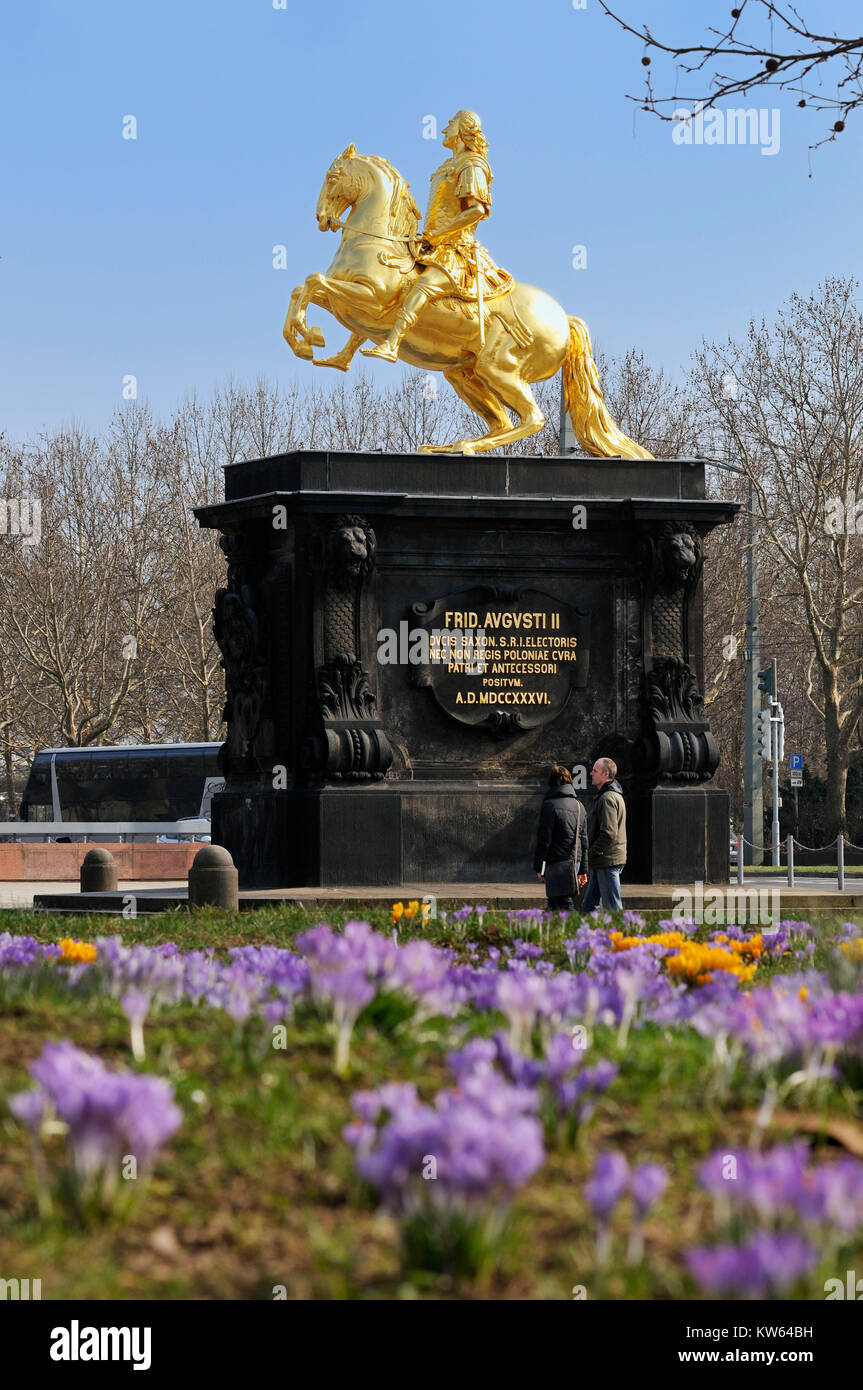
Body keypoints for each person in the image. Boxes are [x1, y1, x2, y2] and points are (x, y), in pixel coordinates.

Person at [361, 109, 512, 362]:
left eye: (451, 124)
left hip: (458, 252)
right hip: (434, 246)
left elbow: (476, 210)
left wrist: (440, 234)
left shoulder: (472, 164)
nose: (444, 129)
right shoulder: (448, 165)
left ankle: (392, 344)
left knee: (423, 286)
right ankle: (346, 352)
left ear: (464, 130)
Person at [533, 765, 589, 911]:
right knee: (555, 901)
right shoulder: (579, 806)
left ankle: (578, 932)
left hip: (557, 863)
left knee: (564, 902)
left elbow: (544, 839)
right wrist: (583, 869)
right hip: (574, 861)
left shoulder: (549, 805)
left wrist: (540, 867)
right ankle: (552, 931)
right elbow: (584, 841)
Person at [581, 757, 627, 914]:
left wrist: (591, 852)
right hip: (605, 860)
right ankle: (589, 936)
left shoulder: (607, 798)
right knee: (589, 905)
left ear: (605, 774)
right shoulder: (612, 795)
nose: (591, 773)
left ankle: (621, 937)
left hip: (607, 860)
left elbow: (608, 833)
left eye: (595, 770)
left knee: (613, 908)